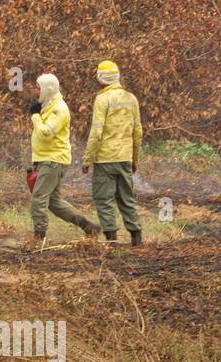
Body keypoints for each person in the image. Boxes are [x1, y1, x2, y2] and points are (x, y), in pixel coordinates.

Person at [28, 73, 99, 247]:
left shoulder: (60, 109)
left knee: (38, 198)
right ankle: (89, 227)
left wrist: (35, 116)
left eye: (38, 88)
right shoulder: (47, 105)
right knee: (54, 202)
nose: (35, 91)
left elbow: (45, 134)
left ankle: (39, 239)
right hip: (47, 159)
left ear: (47, 90)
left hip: (53, 160)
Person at [82, 60, 144, 245]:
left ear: (101, 78)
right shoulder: (131, 98)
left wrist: (87, 159)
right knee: (126, 198)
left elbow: (96, 132)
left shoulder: (102, 99)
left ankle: (112, 241)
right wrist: (134, 158)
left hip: (105, 160)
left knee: (104, 198)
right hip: (125, 158)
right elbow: (138, 132)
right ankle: (137, 238)